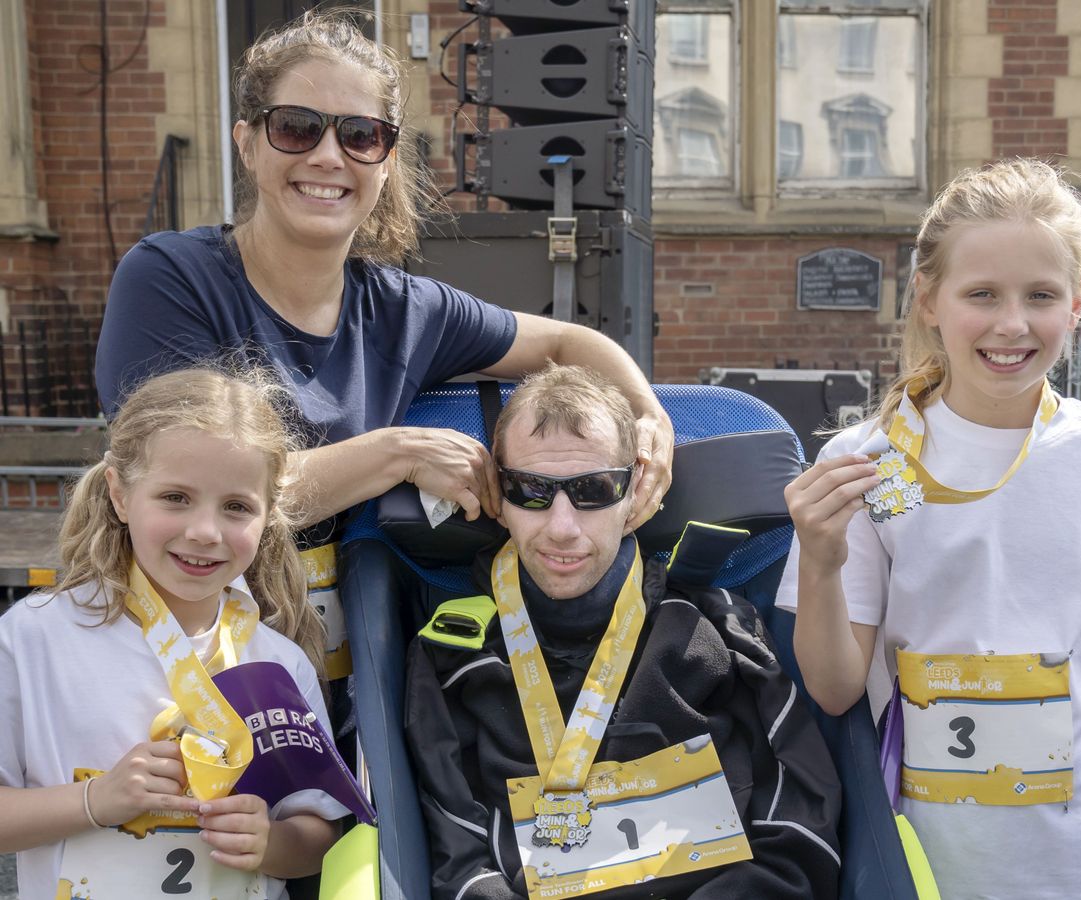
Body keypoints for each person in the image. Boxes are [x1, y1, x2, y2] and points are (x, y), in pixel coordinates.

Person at [93, 10, 674, 688]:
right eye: (296, 127)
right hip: (172, 659)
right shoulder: (170, 278)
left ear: (387, 159)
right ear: (247, 143)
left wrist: (648, 416)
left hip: (336, 668)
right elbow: (200, 491)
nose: (328, 157)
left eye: (360, 135)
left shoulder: (405, 308)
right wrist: (397, 453)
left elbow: (571, 340)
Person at [778, 159, 1081, 900]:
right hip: (927, 863)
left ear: (1075, 306)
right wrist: (818, 561)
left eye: (1041, 295)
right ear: (929, 300)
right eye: (982, 294)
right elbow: (837, 688)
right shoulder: (865, 460)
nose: (1012, 324)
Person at [406, 364, 842, 900]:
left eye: (593, 490)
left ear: (636, 486)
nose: (562, 527)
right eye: (531, 490)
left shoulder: (722, 632)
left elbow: (798, 836)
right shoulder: (450, 655)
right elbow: (458, 864)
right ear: (499, 493)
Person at [0, 368, 347, 900]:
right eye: (175, 498)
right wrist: (94, 800)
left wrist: (270, 842)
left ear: (268, 515)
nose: (204, 531)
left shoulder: (280, 663)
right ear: (119, 494)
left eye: (236, 507)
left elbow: (319, 834)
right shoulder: (31, 638)